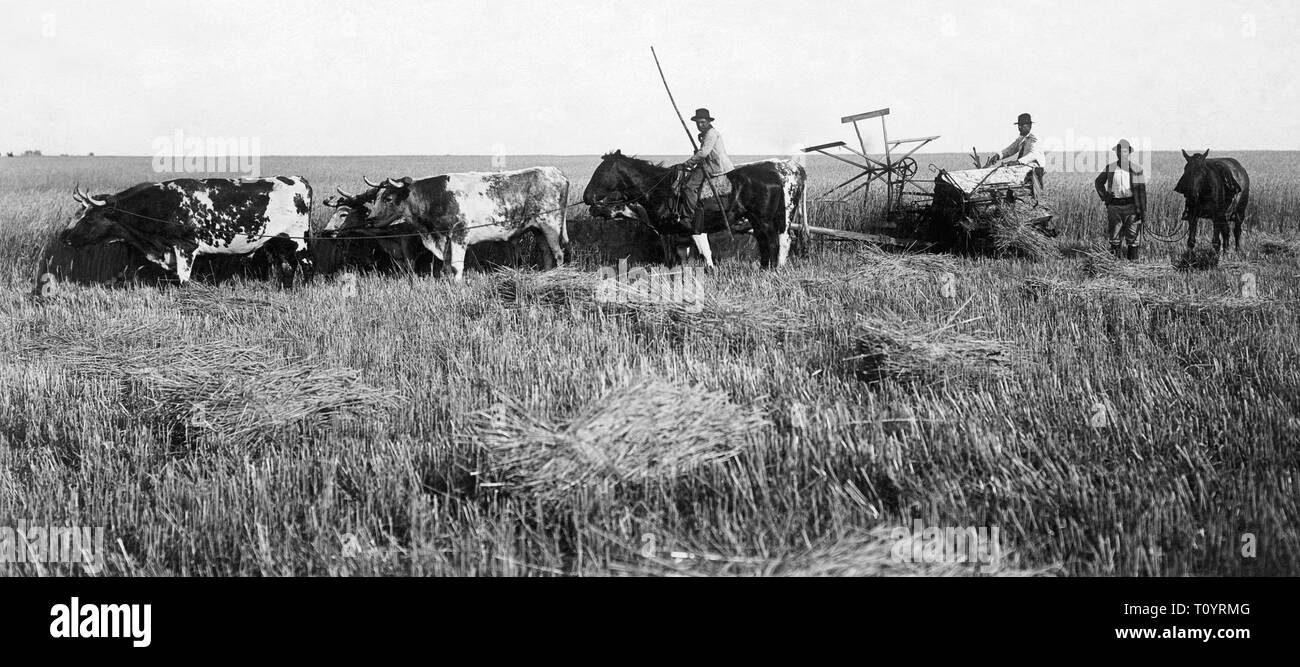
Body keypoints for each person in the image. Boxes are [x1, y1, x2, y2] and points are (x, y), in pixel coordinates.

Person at [674, 108, 736, 229]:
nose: (700, 125)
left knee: (688, 186)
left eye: (703, 122)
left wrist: (687, 164)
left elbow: (703, 153)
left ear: (708, 121)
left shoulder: (711, 134)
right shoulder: (707, 134)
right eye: (698, 123)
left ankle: (688, 217)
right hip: (709, 163)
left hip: (715, 166)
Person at [1094, 139, 1147, 260]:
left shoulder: (1137, 169)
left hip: (1132, 207)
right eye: (1119, 151)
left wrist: (1142, 211)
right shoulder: (1110, 167)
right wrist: (1105, 197)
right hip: (1114, 207)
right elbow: (1098, 182)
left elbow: (1142, 192)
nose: (1121, 154)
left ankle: (1132, 265)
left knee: (1133, 237)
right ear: (1116, 153)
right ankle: (1114, 264)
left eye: (1124, 151)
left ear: (1128, 153)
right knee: (1114, 236)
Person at [986, 113, 1046, 194]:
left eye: (1021, 126)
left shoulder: (1034, 139)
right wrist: (998, 155)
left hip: (1033, 168)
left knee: (1007, 173)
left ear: (1029, 126)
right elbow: (1011, 149)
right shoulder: (1021, 139)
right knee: (1004, 170)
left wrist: (1017, 162)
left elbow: (1033, 154)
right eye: (1018, 126)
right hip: (1023, 167)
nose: (1019, 128)